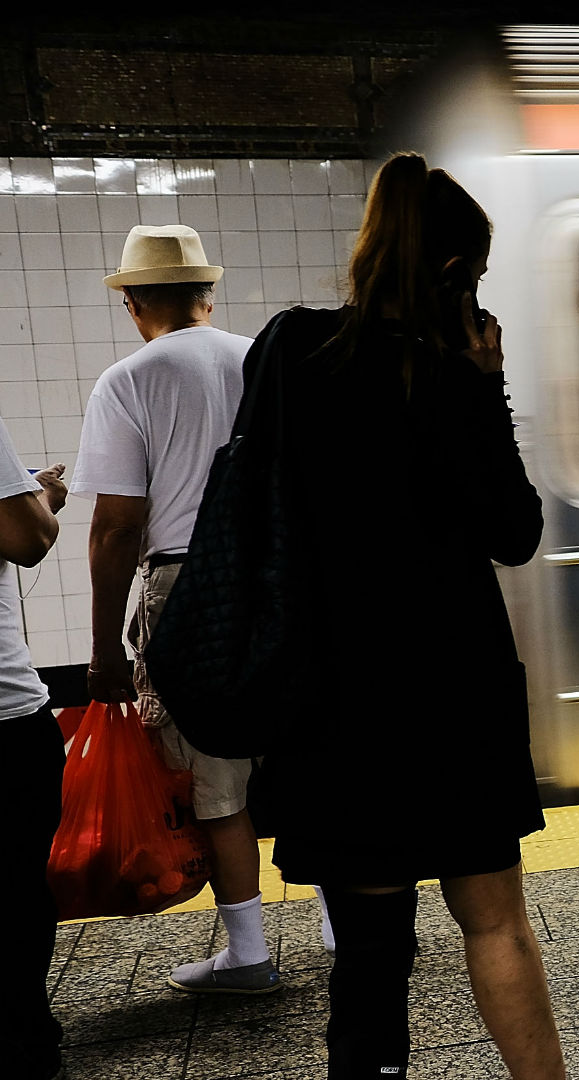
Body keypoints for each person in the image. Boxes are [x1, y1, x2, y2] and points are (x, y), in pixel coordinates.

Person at [254, 153, 562, 1078]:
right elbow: (516, 533)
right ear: (454, 275)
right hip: (455, 696)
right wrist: (487, 383)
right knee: (496, 922)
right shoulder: (453, 379)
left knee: (373, 947)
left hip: (335, 699)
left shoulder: (288, 348)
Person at [70, 224, 286, 993]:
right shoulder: (264, 359)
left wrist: (103, 653)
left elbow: (119, 524)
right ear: (207, 294)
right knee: (296, 757)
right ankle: (338, 924)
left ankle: (250, 955)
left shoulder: (128, 379)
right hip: (280, 579)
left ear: (132, 302)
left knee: (215, 779)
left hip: (187, 587)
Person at [0, 448, 66, 1080]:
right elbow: (26, 537)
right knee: (16, 887)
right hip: (3, 716)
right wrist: (42, 496)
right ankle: (21, 1041)